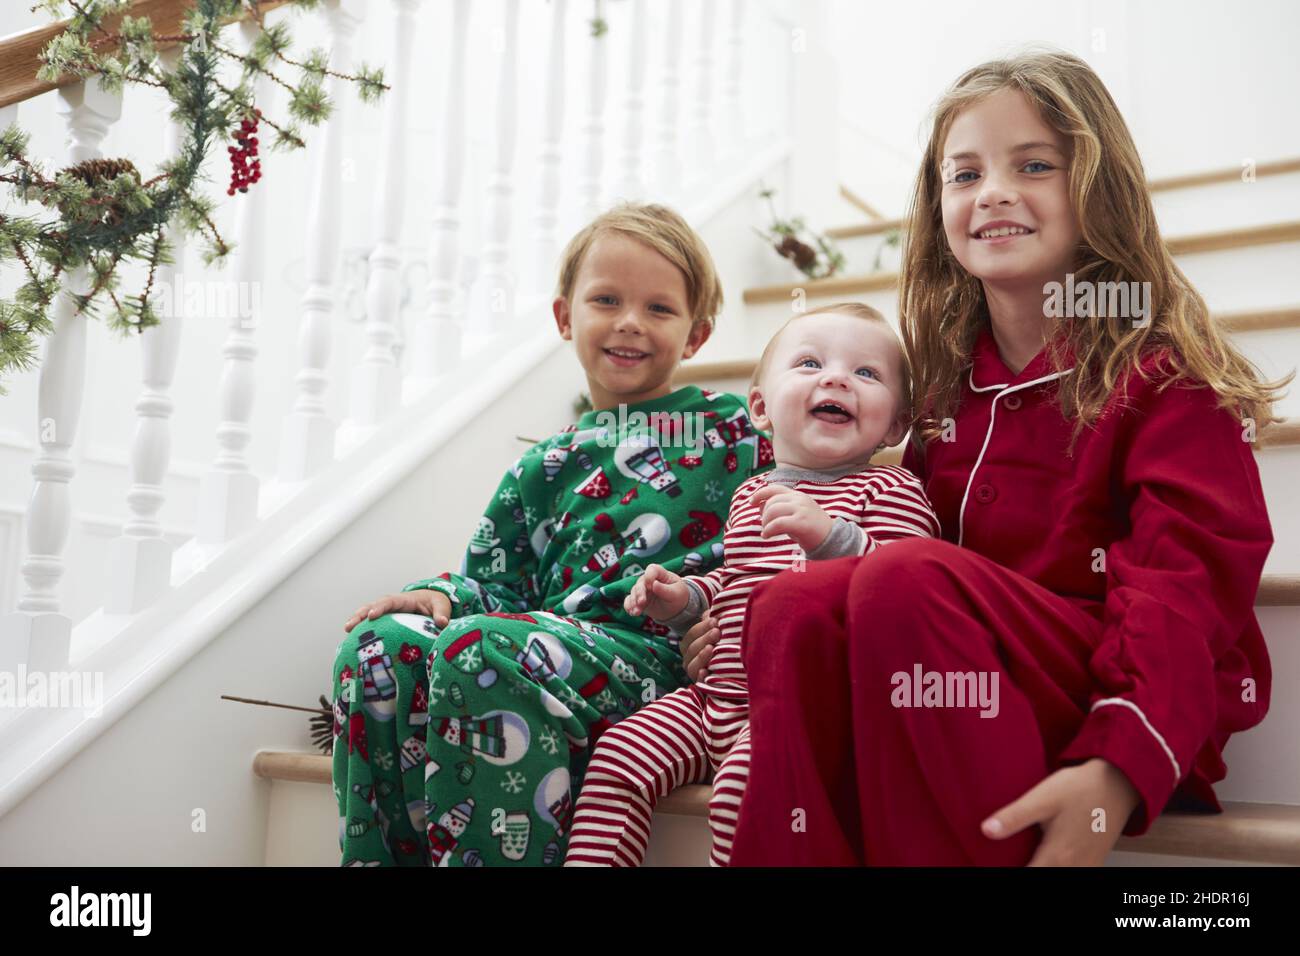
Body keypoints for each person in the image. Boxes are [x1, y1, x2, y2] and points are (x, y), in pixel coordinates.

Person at [718, 49, 1289, 866]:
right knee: (793, 609)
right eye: (964, 173)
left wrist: (1116, 764)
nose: (992, 191)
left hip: (1116, 689)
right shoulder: (951, 392)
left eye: (1034, 165)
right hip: (950, 680)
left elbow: (1183, 591)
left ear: (1099, 188)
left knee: (904, 576)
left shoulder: (1166, 379)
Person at [330, 202, 774, 866]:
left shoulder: (735, 432)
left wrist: (745, 616)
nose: (629, 322)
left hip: (665, 666)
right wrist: (440, 595)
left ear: (697, 336)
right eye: (606, 299)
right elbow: (495, 586)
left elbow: (795, 530)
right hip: (548, 648)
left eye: (659, 308)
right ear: (565, 316)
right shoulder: (543, 464)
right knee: (377, 648)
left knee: (485, 650)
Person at [564, 303, 939, 866]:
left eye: (866, 373)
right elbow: (736, 582)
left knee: (746, 787)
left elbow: (905, 588)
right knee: (618, 754)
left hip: (799, 709)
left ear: (895, 425)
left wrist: (829, 537)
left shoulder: (891, 489)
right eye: (810, 363)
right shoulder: (751, 494)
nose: (836, 377)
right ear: (761, 407)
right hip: (712, 699)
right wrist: (685, 600)